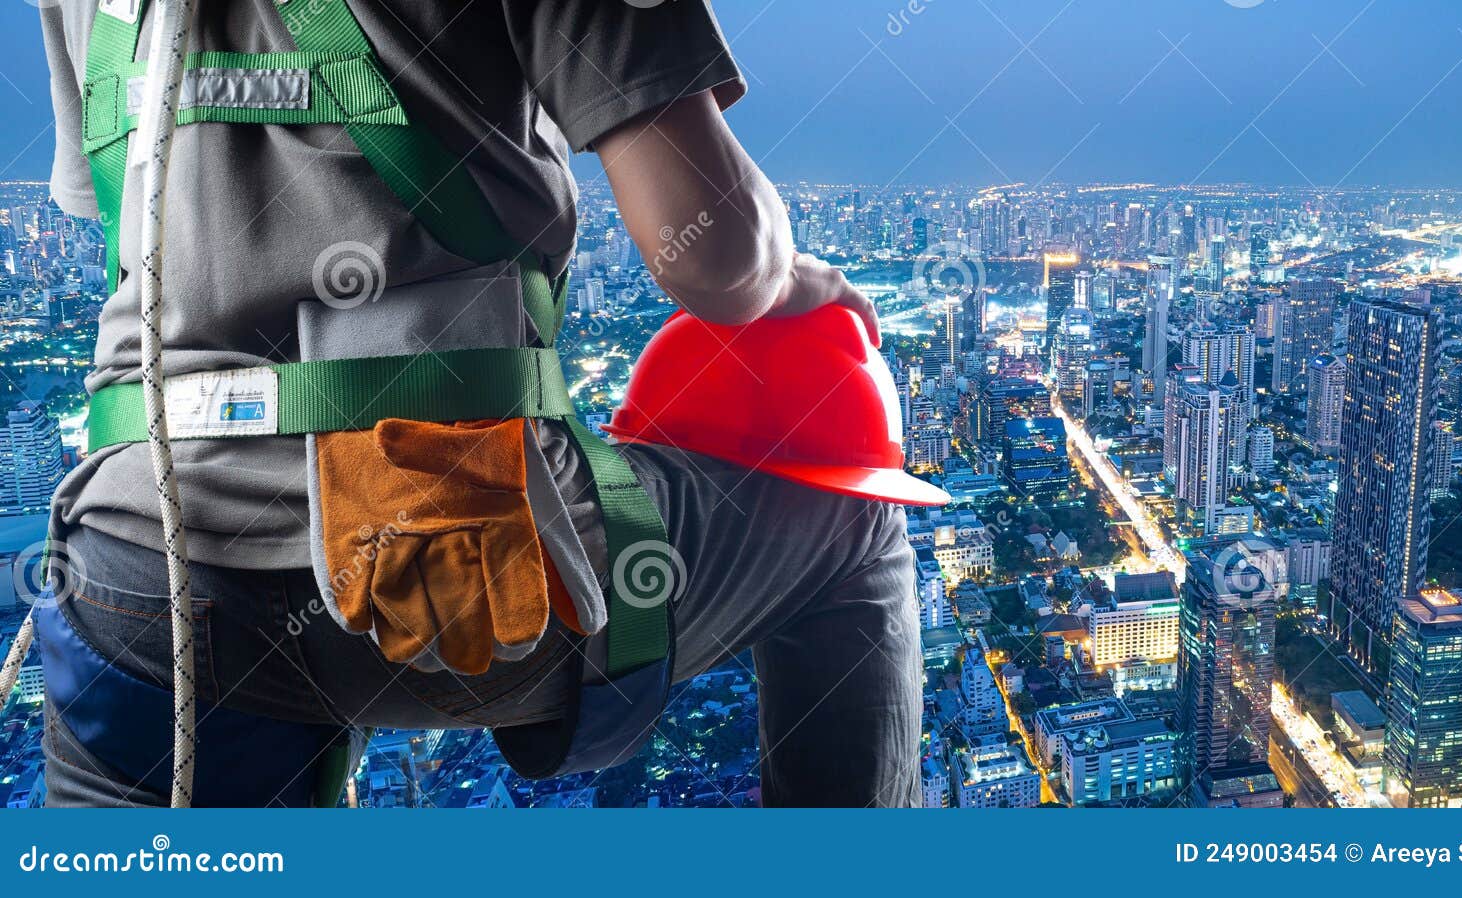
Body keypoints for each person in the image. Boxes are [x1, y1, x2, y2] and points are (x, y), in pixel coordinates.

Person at [37, 0, 919, 807]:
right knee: (854, 528)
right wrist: (794, 275)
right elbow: (713, 257)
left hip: (134, 569)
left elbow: (130, 224)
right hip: (456, 547)